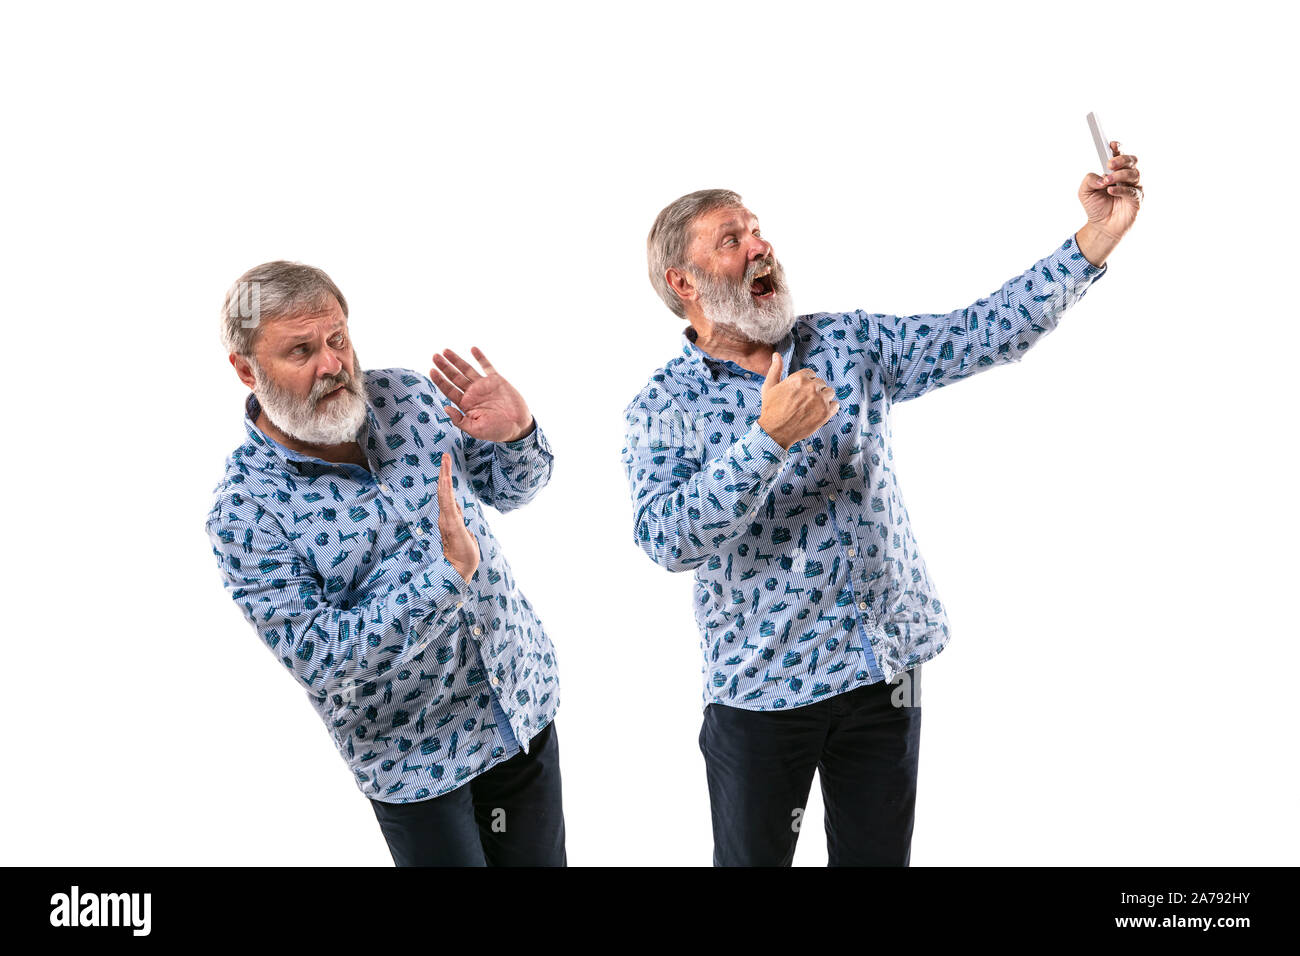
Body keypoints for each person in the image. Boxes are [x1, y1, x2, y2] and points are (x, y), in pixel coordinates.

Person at [622, 146, 1143, 866]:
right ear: (684, 281)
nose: (759, 245)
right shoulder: (662, 405)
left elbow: (981, 333)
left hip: (883, 673)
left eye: (757, 230)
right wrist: (766, 442)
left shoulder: (846, 342)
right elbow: (667, 537)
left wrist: (1095, 241)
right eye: (732, 238)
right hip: (762, 696)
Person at [204, 261, 565, 866]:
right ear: (246, 370)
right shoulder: (244, 514)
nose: (333, 365)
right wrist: (443, 577)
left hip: (519, 704)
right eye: (301, 351)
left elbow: (512, 489)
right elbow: (327, 661)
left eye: (337, 339)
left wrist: (517, 435)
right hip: (417, 763)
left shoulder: (410, 397)